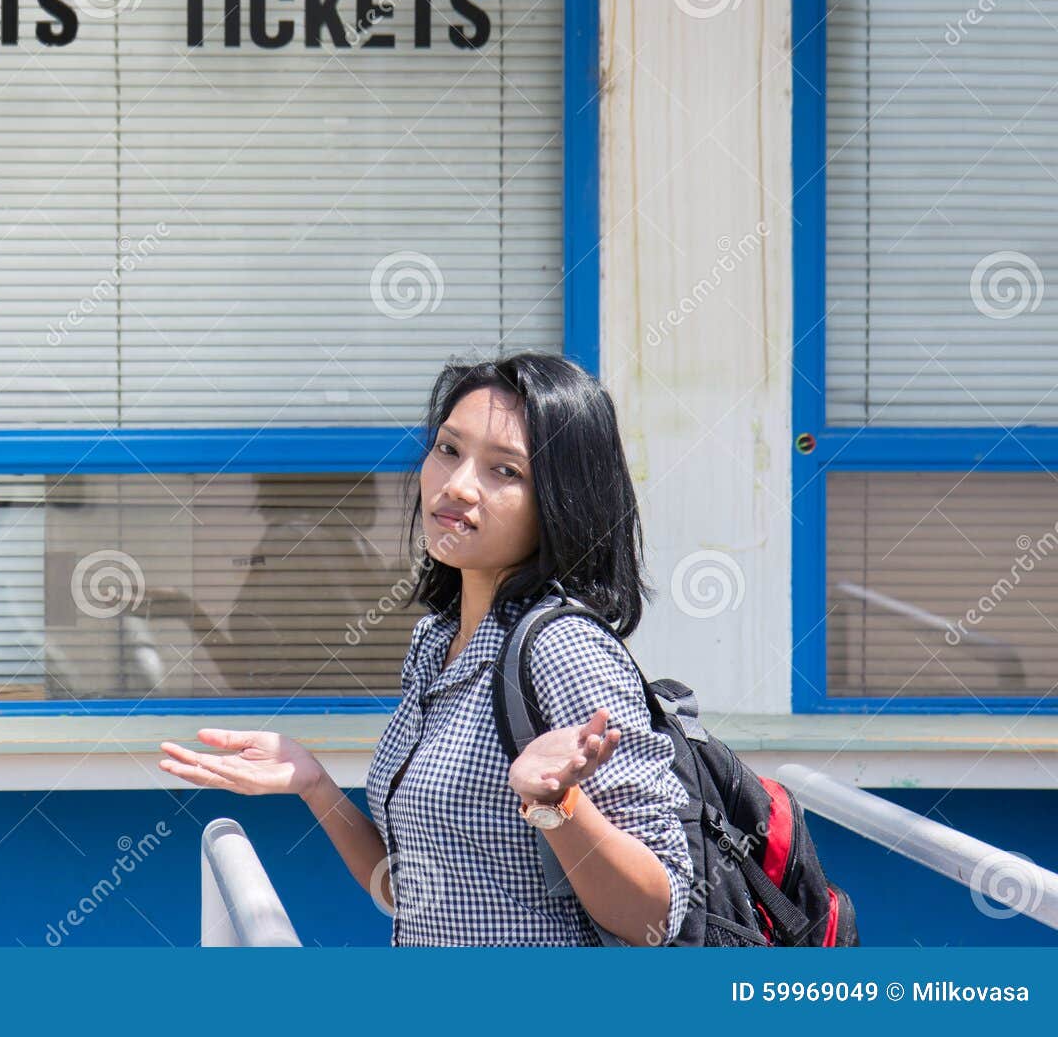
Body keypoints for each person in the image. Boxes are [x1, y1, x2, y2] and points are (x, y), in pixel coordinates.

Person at [157, 351, 694, 946]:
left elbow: (655, 919)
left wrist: (557, 802)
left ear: (562, 500)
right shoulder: (436, 641)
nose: (458, 485)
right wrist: (314, 784)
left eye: (506, 471)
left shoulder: (563, 648)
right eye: (448, 450)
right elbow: (409, 890)